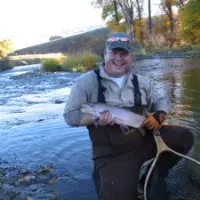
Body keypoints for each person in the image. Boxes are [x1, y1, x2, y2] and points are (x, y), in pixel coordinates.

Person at [63, 32, 194, 200]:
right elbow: (70, 116)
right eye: (114, 53)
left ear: (130, 56)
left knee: (184, 137)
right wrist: (95, 118)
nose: (119, 58)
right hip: (113, 155)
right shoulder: (85, 82)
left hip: (145, 140)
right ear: (105, 54)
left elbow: (162, 100)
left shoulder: (142, 82)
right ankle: (106, 175)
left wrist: (159, 115)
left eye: (123, 53)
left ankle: (153, 175)